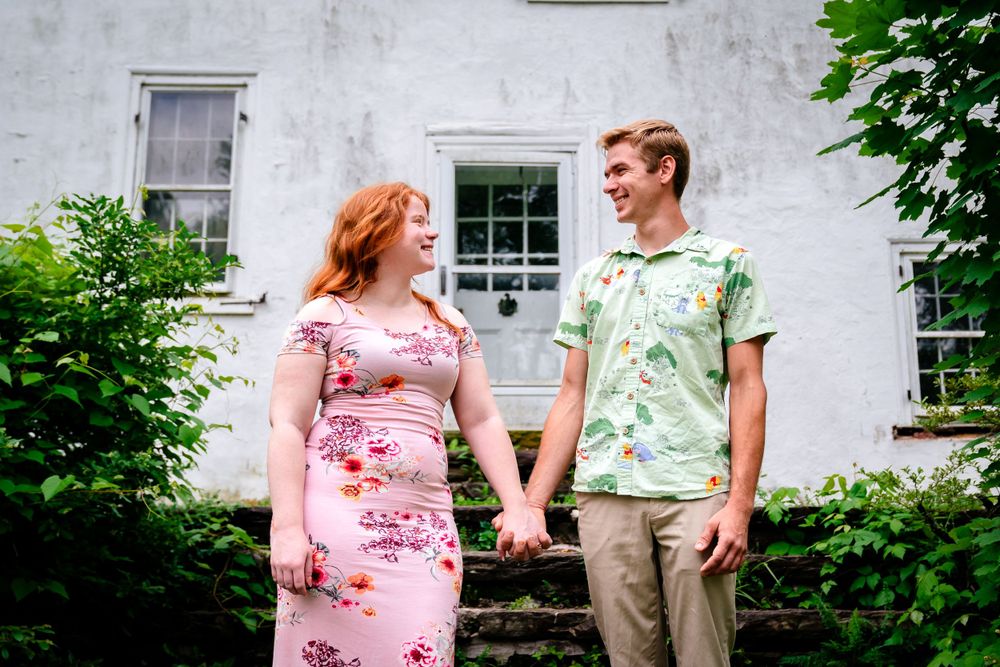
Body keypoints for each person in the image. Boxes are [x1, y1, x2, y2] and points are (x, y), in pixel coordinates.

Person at [497, 119, 776, 666]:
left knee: (704, 658)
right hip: (604, 489)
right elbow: (572, 395)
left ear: (664, 170)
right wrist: (532, 503)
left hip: (696, 489)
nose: (608, 184)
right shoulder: (592, 278)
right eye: (607, 173)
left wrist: (739, 506)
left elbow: (747, 387)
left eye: (620, 170)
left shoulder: (728, 265)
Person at [267, 182, 546, 667]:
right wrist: (287, 530)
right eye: (418, 221)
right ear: (376, 231)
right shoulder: (323, 314)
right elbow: (288, 425)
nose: (432, 231)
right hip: (336, 520)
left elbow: (482, 419)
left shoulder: (450, 322)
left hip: (426, 522)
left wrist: (517, 505)